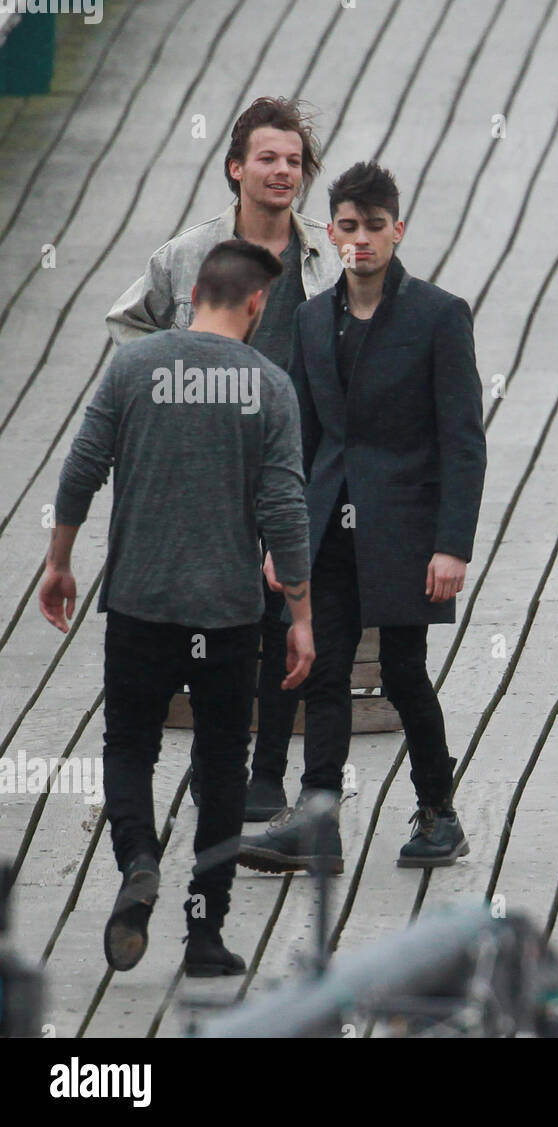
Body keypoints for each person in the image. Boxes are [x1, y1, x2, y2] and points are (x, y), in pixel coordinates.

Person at [44, 240, 315, 976]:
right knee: (222, 765)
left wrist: (60, 562)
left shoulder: (133, 367)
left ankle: (138, 857)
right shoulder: (268, 386)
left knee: (129, 744)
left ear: (196, 291)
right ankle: (204, 935)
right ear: (256, 302)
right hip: (225, 613)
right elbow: (285, 506)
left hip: (139, 600)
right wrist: (300, 614)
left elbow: (80, 469)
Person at [238, 161, 487, 875]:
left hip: (406, 528)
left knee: (405, 670)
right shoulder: (314, 319)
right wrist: (284, 537)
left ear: (396, 230)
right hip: (325, 527)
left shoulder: (440, 315)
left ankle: (438, 811)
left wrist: (452, 544)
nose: (361, 240)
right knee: (322, 666)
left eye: (375, 227)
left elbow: (463, 439)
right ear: (334, 232)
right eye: (347, 227)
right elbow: (302, 441)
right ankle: (318, 818)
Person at [106, 96, 340, 822]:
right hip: (204, 467)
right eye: (266, 158)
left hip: (292, 460)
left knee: (280, 614)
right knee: (219, 619)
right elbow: (127, 323)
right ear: (236, 167)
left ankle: (265, 771)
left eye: (293, 162)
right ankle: (218, 769)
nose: (281, 171)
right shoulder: (184, 257)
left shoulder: (327, 260)